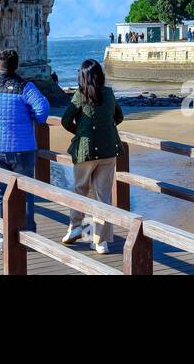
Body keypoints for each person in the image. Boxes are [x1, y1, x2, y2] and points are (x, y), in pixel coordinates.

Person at [0, 49, 50, 247]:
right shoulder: (24, 87)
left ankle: (2, 237)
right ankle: (27, 236)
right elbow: (43, 110)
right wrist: (34, 117)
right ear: (16, 66)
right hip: (22, 147)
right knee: (26, 193)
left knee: (0, 193)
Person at [60, 59, 124, 254]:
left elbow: (65, 120)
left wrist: (80, 132)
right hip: (108, 149)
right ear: (100, 76)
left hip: (85, 150)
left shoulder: (80, 95)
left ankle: (76, 227)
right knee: (102, 196)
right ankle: (100, 241)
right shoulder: (109, 93)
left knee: (80, 189)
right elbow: (119, 117)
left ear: (82, 77)